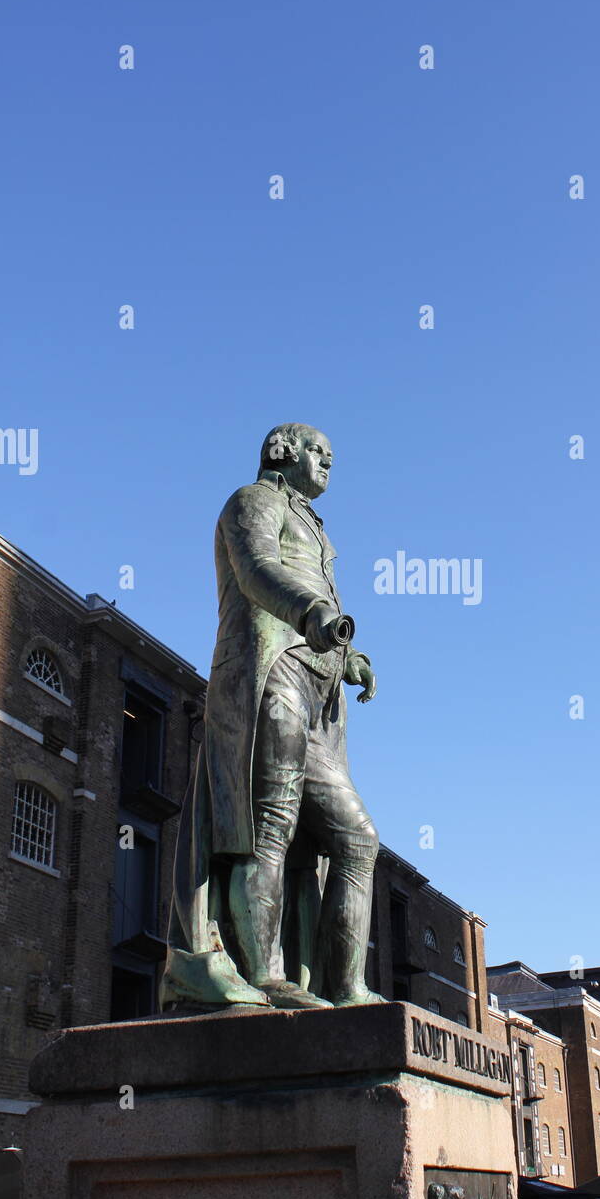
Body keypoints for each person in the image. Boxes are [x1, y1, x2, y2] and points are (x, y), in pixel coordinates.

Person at [160, 423, 381, 1011]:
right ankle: (266, 976)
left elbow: (319, 593)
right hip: (271, 668)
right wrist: (311, 612)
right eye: (317, 449)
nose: (329, 458)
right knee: (269, 825)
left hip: (318, 691)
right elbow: (257, 569)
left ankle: (346, 986)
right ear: (282, 451)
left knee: (357, 842)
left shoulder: (314, 525)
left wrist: (348, 655)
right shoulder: (251, 500)